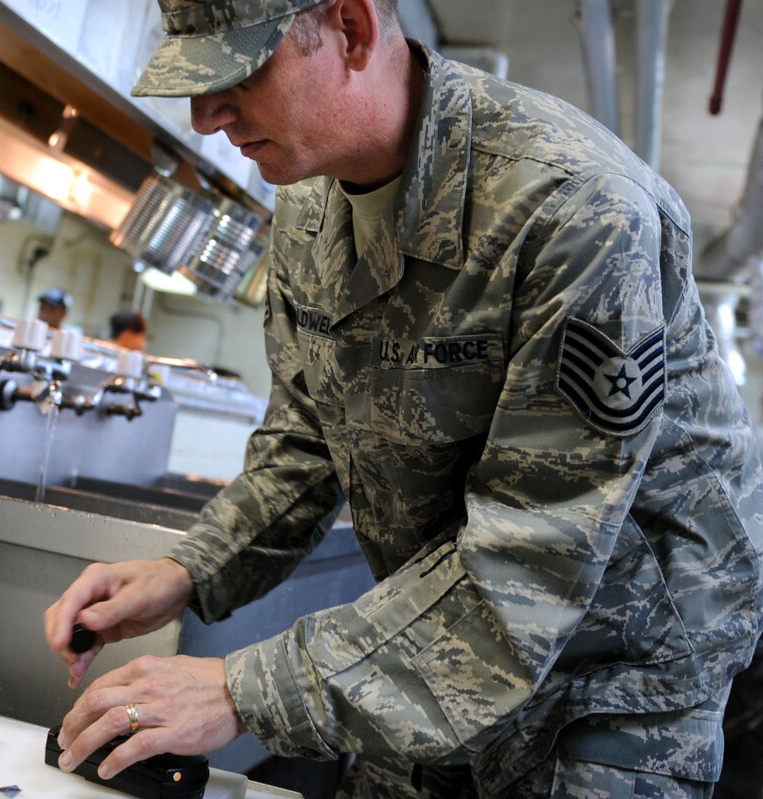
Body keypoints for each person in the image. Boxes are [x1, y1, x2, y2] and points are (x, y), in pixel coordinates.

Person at [43, 1, 763, 797]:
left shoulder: (574, 206)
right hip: (435, 639)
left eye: (238, 72)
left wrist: (241, 689)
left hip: (612, 680)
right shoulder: (309, 206)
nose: (206, 116)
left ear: (351, 28)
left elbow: (532, 560)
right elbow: (309, 439)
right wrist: (188, 567)